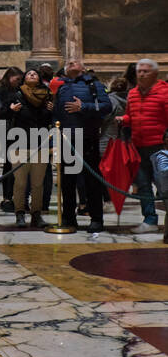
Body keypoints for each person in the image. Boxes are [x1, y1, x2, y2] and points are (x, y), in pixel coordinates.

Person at [53, 58, 111, 237]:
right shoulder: (62, 87)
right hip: (67, 139)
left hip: (87, 137)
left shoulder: (95, 85)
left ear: (83, 68)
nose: (71, 63)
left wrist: (83, 106)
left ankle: (96, 219)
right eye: (68, 62)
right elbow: (57, 114)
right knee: (67, 182)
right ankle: (69, 218)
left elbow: (106, 106)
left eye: (75, 62)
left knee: (91, 181)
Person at [121, 58, 168, 234]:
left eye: (145, 71)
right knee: (143, 185)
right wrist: (122, 121)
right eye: (139, 71)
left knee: (164, 186)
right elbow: (130, 117)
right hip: (138, 146)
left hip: (159, 147)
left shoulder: (164, 92)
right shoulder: (132, 93)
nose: (141, 74)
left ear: (155, 74)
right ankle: (149, 220)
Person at [6, 68, 53, 228]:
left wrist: (49, 111)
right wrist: (10, 110)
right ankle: (20, 213)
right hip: (20, 144)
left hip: (40, 144)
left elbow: (47, 119)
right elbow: (2, 114)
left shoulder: (47, 95)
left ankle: (36, 214)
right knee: (20, 182)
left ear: (39, 78)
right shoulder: (16, 94)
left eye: (35, 74)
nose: (32, 75)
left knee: (38, 183)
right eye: (29, 74)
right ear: (24, 79)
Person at [0, 66, 26, 212]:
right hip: (6, 129)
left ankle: (19, 197)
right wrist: (10, 110)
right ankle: (7, 197)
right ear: (9, 77)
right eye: (17, 79)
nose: (18, 82)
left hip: (18, 129)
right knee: (9, 164)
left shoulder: (19, 89)